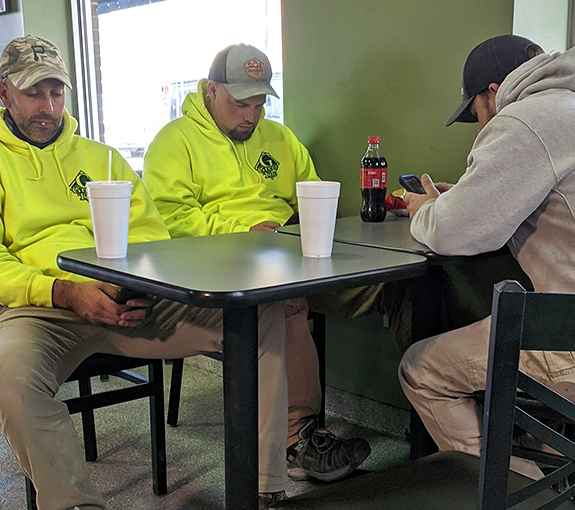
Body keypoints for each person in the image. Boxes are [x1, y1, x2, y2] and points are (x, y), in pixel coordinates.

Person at [0, 35, 290, 510]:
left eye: (57, 92)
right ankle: (75, 503)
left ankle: (265, 486)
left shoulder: (103, 159)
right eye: (34, 93)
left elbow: (152, 237)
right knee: (9, 375)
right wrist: (63, 292)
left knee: (259, 316)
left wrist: (140, 285)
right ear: (4, 93)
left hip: (132, 303)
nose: (47, 107)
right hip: (42, 306)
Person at [398, 34, 575, 473]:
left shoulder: (524, 120)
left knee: (421, 370)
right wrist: (472, 198)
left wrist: (426, 208)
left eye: (475, 115)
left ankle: (509, 493)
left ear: (492, 93)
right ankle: (544, 476)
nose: (480, 128)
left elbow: (450, 233)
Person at [143, 43, 370, 492]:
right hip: (215, 263)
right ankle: (297, 441)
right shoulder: (174, 142)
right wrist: (245, 229)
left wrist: (306, 227)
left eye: (261, 102)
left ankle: (451, 431)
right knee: (283, 301)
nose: (252, 115)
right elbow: (170, 219)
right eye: (240, 103)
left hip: (286, 253)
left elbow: (311, 192)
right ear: (211, 92)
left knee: (396, 284)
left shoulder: (280, 139)